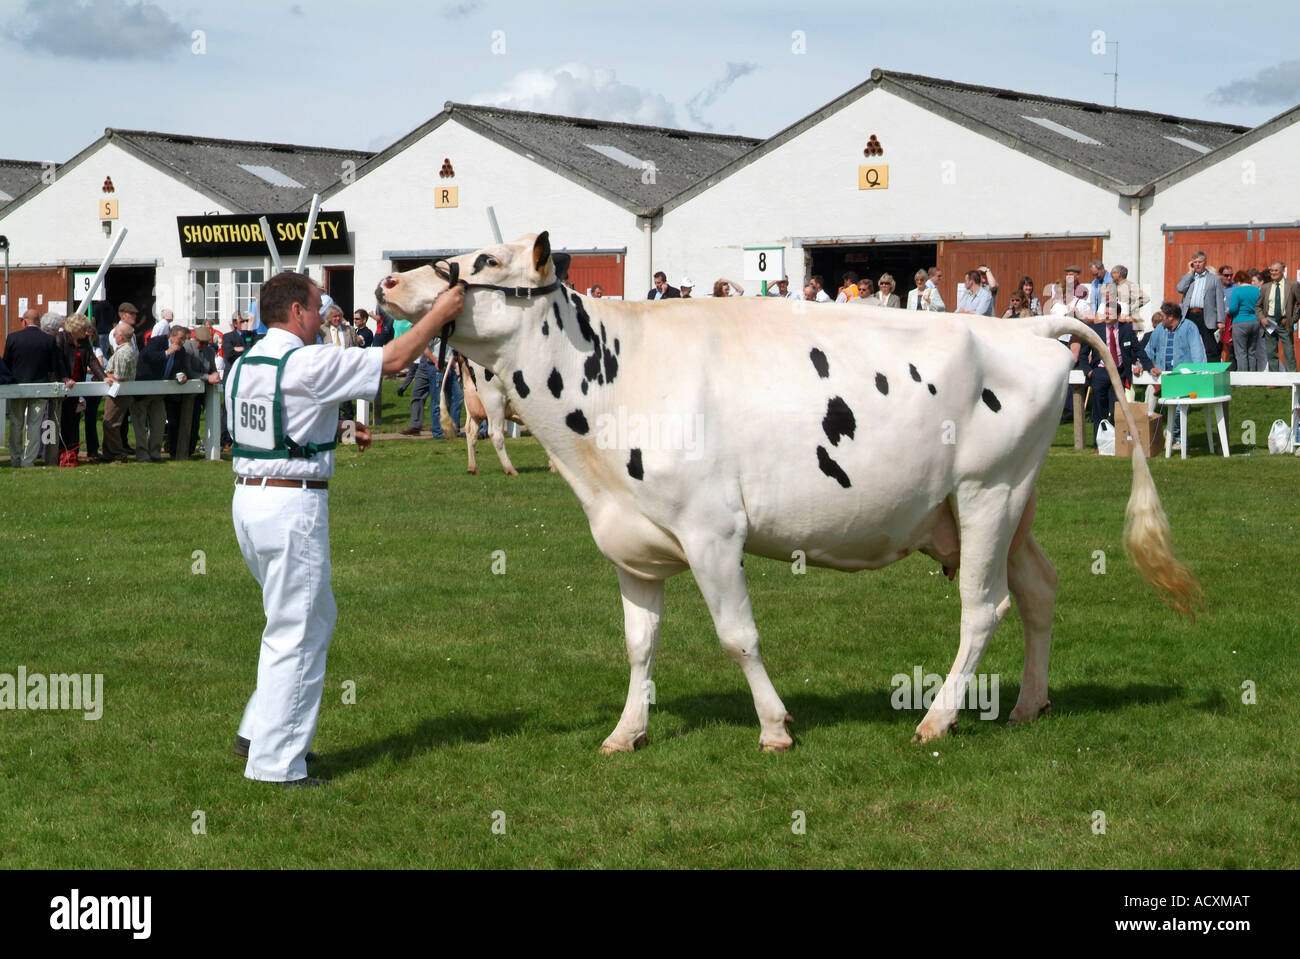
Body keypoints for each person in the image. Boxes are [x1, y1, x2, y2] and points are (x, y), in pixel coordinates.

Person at [227, 270, 465, 787]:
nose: (323, 316)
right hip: (292, 507)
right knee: (299, 632)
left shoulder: (246, 361)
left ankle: (259, 731)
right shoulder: (305, 360)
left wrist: (334, 427)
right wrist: (439, 313)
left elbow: (273, 423)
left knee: (295, 622)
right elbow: (396, 359)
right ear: (295, 312)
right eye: (317, 307)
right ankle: (276, 765)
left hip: (250, 499)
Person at [1136, 302, 1207, 450]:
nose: (1160, 319)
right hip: (1161, 376)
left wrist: (1199, 374)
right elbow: (1149, 350)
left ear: (1171, 317)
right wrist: (1142, 366)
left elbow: (1197, 352)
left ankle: (1177, 438)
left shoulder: (1189, 327)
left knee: (1179, 408)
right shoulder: (1160, 330)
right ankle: (1151, 439)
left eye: (1162, 316)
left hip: (1182, 377)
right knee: (1150, 404)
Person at [5, 308, 70, 467]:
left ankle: (15, 458)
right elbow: (56, 364)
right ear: (38, 322)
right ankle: (28, 461)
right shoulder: (48, 340)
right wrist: (65, 378)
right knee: (34, 425)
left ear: (25, 321)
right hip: (40, 386)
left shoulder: (13, 338)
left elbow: (6, 362)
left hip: (17, 387)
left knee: (16, 423)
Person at [1080, 298, 1144, 446]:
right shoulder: (1096, 330)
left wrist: (1145, 365)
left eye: (1110, 313)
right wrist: (1089, 372)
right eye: (1106, 313)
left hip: (1119, 374)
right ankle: (1098, 444)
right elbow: (1083, 354)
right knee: (1098, 412)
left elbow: (1137, 350)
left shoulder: (1126, 329)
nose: (1107, 316)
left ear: (1118, 315)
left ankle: (1115, 443)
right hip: (1100, 373)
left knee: (1116, 411)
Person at [56, 314, 106, 466]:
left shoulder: (84, 341)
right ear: (75, 328)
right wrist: (65, 378)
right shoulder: (61, 338)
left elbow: (91, 359)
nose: (86, 332)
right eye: (84, 329)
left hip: (77, 384)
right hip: (63, 384)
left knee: (72, 420)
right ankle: (60, 453)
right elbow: (57, 361)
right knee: (61, 420)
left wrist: (103, 377)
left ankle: (70, 453)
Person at [1176, 251, 1226, 367]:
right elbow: (1180, 288)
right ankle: (1189, 369)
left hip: (1206, 315)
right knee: (1188, 344)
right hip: (1189, 315)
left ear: (1205, 263)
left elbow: (1219, 300)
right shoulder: (1189, 277)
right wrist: (1189, 272)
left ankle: (1212, 371)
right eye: (1195, 262)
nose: (1197, 264)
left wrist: (1220, 320)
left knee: (1210, 346)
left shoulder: (1214, 279)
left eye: (1200, 262)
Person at [98, 322, 138, 463]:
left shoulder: (122, 353)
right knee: (110, 422)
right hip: (123, 392)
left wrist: (104, 375)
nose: (113, 336)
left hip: (119, 393)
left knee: (111, 423)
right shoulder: (130, 349)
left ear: (120, 337)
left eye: (115, 334)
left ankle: (118, 454)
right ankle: (109, 453)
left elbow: (119, 377)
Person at [1255, 260, 1298, 372]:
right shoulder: (1265, 287)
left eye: (1276, 270)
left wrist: (1293, 319)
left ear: (1283, 271)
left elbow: (1299, 303)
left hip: (1285, 322)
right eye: (1271, 270)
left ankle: (1291, 379)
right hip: (1269, 322)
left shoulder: (1292, 285)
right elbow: (1258, 307)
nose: (1273, 273)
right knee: (1271, 351)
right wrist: (1262, 318)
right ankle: (1274, 380)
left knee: (1289, 351)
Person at [1228, 270, 1262, 372]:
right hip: (1255, 322)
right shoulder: (1256, 290)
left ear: (1238, 281)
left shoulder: (1237, 291)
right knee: (1252, 352)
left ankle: (1243, 377)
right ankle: (1252, 378)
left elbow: (1233, 309)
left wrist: (1228, 311)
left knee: (1241, 352)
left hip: (1240, 322)